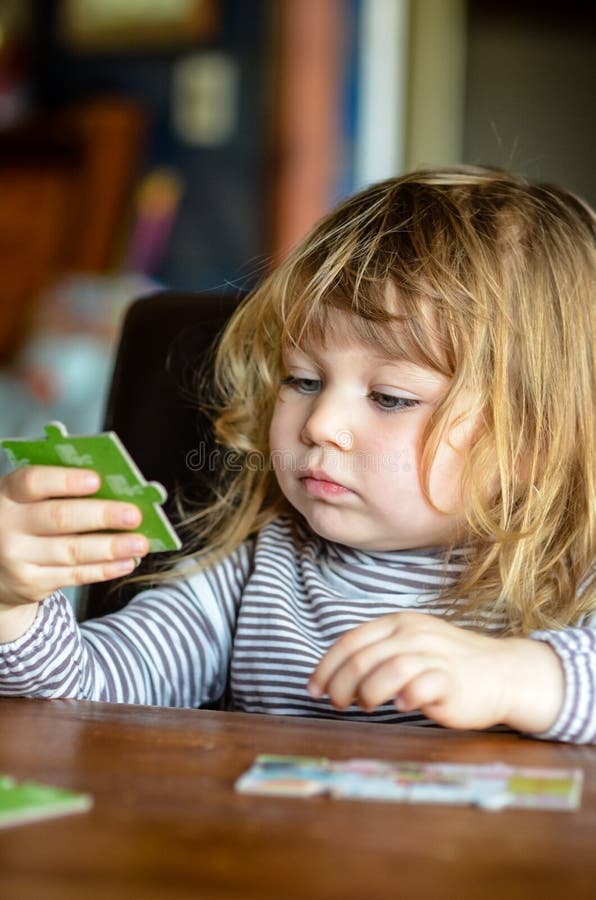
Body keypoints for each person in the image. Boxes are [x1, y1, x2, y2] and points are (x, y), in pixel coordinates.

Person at [0, 165, 594, 744]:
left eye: (390, 397)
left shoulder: (575, 582)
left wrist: (522, 674)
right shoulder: (259, 573)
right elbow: (82, 694)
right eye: (303, 381)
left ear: (532, 441)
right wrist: (11, 604)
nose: (322, 425)